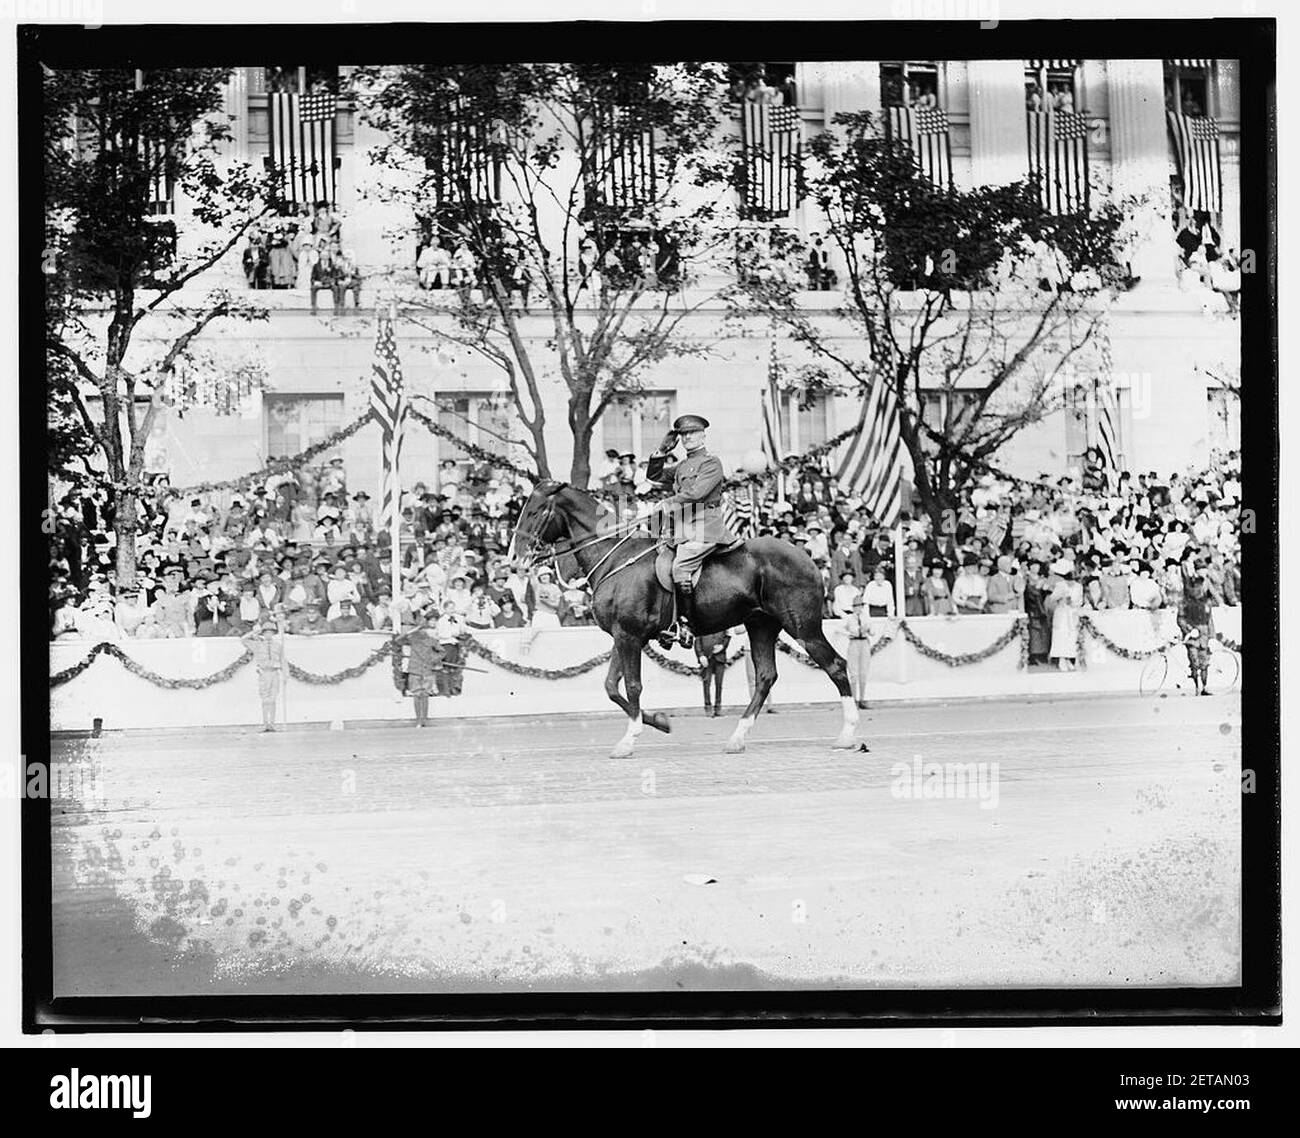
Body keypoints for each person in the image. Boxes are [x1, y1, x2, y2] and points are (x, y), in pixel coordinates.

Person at [645, 414, 738, 648]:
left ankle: (686, 626)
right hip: (683, 529)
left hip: (706, 526)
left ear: (703, 435)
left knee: (681, 566)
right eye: (683, 434)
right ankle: (668, 621)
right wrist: (661, 451)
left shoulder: (711, 462)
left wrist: (667, 503)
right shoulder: (683, 466)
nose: (687, 438)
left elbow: (696, 494)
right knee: (659, 562)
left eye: (692, 433)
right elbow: (653, 476)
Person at [241, 611, 287, 732]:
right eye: (266, 632)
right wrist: (255, 632)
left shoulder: (278, 645)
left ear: (273, 633)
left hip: (274, 673)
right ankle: (265, 723)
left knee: (273, 699)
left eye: (270, 632)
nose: (268, 634)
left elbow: (283, 660)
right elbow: (243, 640)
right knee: (265, 699)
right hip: (264, 673)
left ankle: (272, 723)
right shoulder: (257, 645)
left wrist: (285, 675)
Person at [1178, 561, 1216, 696]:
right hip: (1192, 636)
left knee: (1204, 661)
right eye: (1195, 587)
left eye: (1199, 587)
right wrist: (1189, 630)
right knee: (1194, 660)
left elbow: (1209, 619)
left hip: (1204, 635)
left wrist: (1213, 636)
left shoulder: (1207, 601)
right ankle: (1196, 685)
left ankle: (1205, 686)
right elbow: (1181, 619)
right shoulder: (1184, 602)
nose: (1197, 590)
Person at [404, 613, 444, 727]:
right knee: (416, 695)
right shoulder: (412, 639)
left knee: (425, 695)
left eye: (423, 628)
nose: (422, 631)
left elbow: (442, 652)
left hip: (427, 670)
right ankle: (418, 720)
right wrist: (412, 631)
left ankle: (424, 720)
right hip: (415, 669)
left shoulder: (431, 640)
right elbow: (398, 640)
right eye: (420, 628)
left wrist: (433, 659)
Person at [841, 595, 876, 710]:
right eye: (856, 606)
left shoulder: (866, 617)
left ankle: (862, 699)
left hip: (864, 642)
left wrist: (869, 629)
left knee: (863, 672)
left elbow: (873, 632)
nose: (858, 608)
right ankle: (854, 700)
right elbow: (838, 629)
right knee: (854, 673)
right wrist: (849, 634)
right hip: (854, 642)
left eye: (860, 606)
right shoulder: (849, 618)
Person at [1047, 560, 1083, 671]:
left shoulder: (1079, 587)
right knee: (1061, 635)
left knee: (1071, 636)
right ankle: (1061, 659)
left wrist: (1074, 604)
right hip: (1062, 613)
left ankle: (1068, 659)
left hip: (1072, 614)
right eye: (1069, 580)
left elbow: (1080, 600)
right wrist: (1061, 597)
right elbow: (1052, 598)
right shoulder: (1060, 585)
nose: (1070, 583)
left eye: (1072, 581)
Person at [694, 629, 729, 717]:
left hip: (720, 658)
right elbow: (697, 642)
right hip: (706, 659)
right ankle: (708, 707)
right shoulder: (701, 625)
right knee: (706, 683)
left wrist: (722, 646)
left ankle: (718, 708)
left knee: (719, 684)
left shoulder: (723, 624)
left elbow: (727, 638)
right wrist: (701, 656)